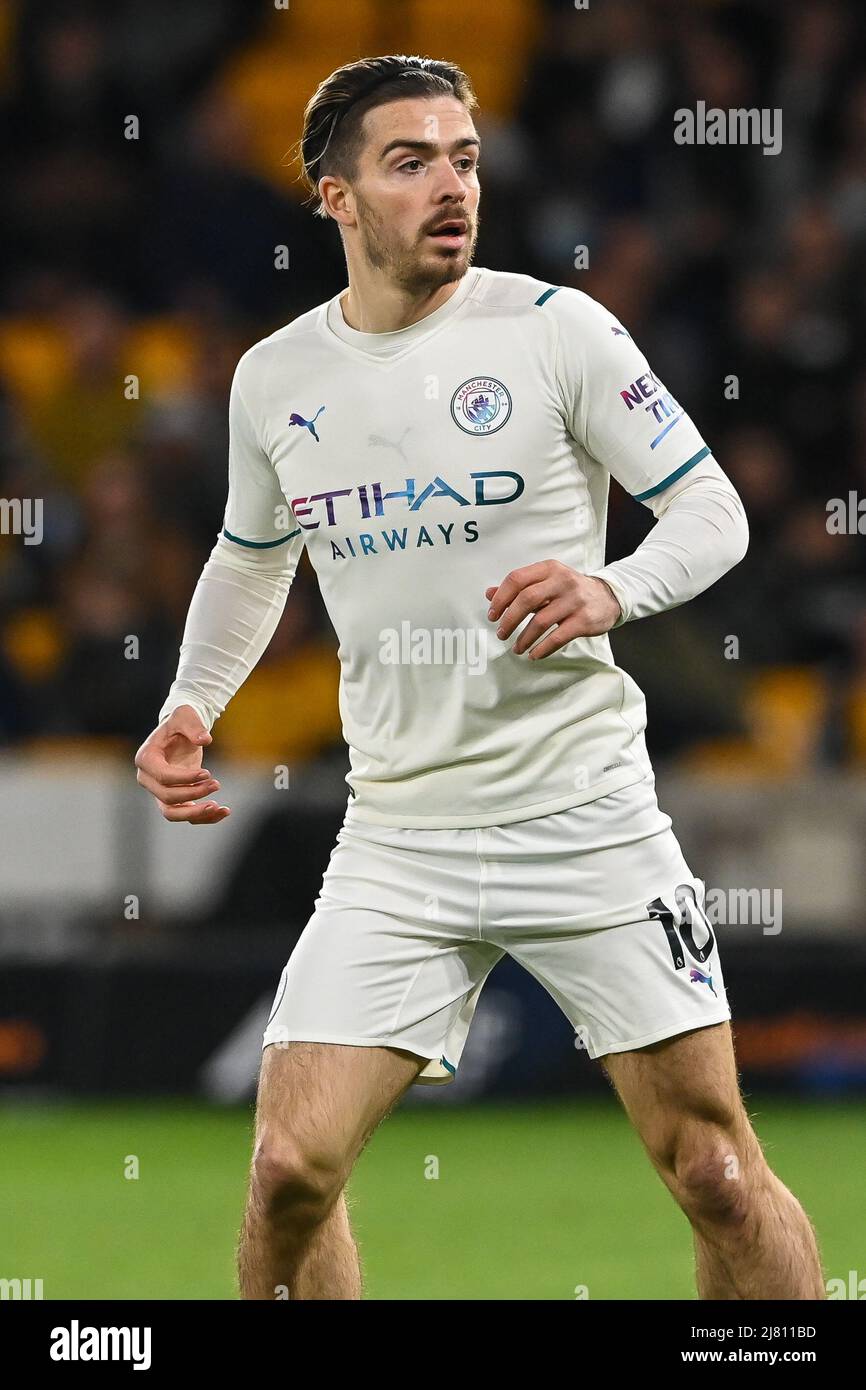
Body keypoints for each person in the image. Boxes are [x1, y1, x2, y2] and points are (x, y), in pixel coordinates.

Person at [134, 55, 824, 1300]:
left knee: (713, 1170)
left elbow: (710, 510)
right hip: (400, 832)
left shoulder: (554, 329)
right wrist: (190, 704)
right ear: (335, 197)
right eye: (410, 163)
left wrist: (610, 586)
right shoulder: (275, 379)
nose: (451, 186)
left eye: (463, 159)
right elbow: (250, 562)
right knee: (290, 1162)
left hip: (585, 814)